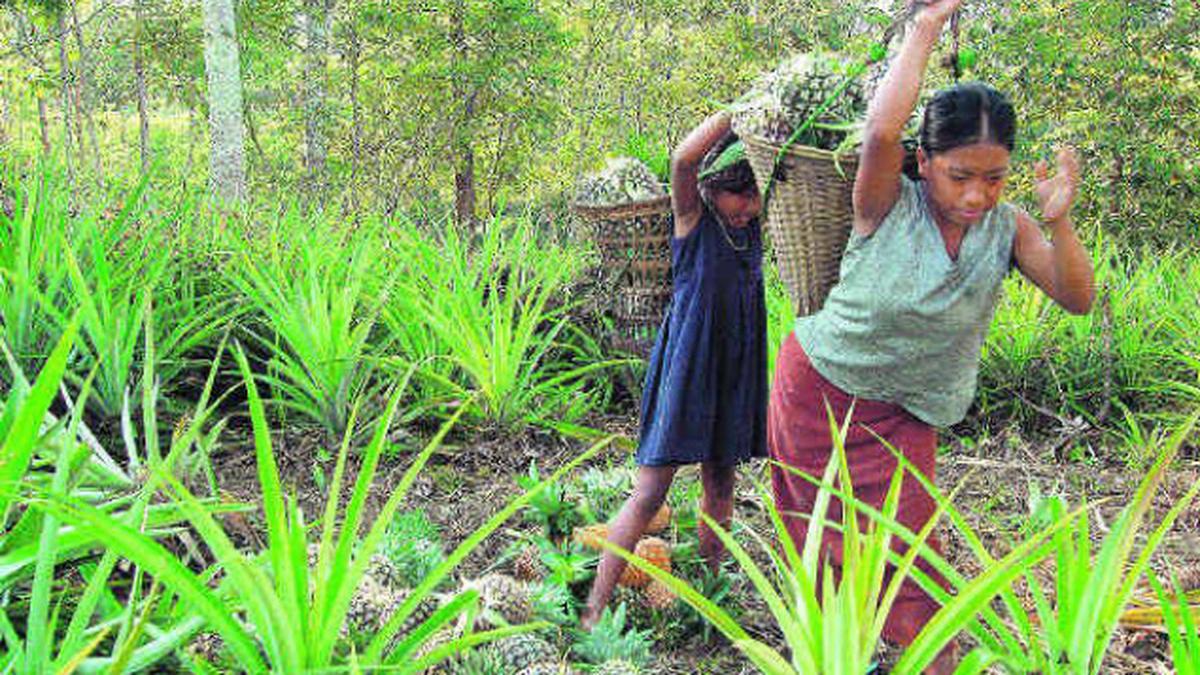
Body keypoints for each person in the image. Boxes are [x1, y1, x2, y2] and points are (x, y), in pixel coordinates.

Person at [766, 0, 1096, 671]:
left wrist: (1058, 222)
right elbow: (883, 130)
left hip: (906, 415)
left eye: (995, 177)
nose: (977, 195)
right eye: (961, 175)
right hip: (817, 392)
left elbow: (1078, 297)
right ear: (924, 163)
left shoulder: (1009, 231)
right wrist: (926, 26)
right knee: (824, 551)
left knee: (915, 565)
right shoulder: (885, 201)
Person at [581, 111, 767, 629]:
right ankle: (595, 606)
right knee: (650, 491)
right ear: (713, 188)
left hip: (734, 369)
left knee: (721, 486)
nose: (747, 209)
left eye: (755, 198)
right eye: (738, 196)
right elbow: (683, 159)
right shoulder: (694, 217)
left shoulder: (752, 229)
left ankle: (711, 589)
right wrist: (740, 112)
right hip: (688, 368)